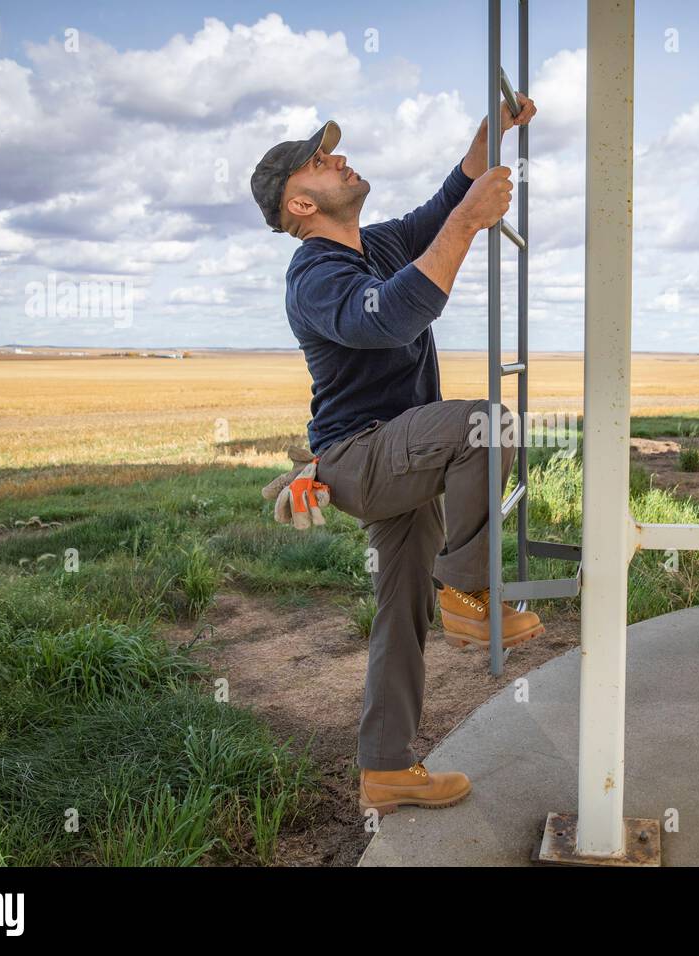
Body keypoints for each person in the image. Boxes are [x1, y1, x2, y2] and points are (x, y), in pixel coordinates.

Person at [249, 93, 543, 816]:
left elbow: (447, 202)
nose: (339, 159)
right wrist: (472, 222)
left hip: (399, 457)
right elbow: (393, 316)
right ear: (300, 204)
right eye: (321, 161)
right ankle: (471, 594)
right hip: (362, 458)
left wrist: (488, 139)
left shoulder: (375, 244)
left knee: (400, 613)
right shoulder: (314, 277)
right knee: (487, 425)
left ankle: (385, 768)